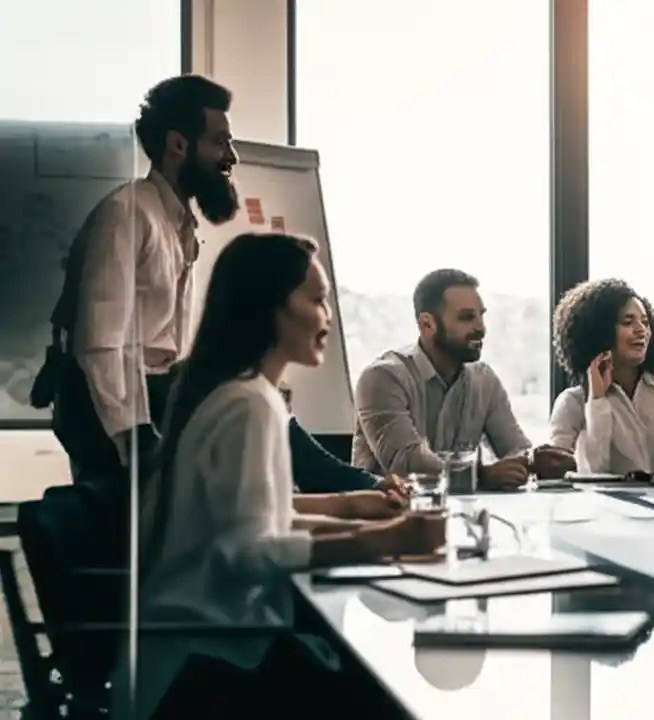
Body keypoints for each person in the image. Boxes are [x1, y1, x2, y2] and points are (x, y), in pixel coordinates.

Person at [135, 233, 444, 718]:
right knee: (386, 692)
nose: (328, 316)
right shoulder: (249, 404)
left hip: (194, 653)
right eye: (317, 300)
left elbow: (254, 522)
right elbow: (249, 551)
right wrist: (383, 539)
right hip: (204, 671)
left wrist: (359, 517)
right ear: (272, 307)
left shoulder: (236, 392)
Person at [43, 74, 239, 485]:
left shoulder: (178, 224)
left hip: (154, 395)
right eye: (220, 141)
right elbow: (101, 344)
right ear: (178, 145)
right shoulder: (127, 215)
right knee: (126, 539)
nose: (231, 157)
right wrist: (134, 436)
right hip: (110, 411)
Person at [352, 269, 575, 489]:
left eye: (481, 315)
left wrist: (534, 461)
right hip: (388, 518)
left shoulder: (484, 380)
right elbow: (406, 464)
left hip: (460, 516)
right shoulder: (383, 378)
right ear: (427, 325)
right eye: (466, 317)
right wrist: (480, 476)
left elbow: (514, 447)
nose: (481, 328)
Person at [549, 279, 654, 475]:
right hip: (601, 505)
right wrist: (597, 401)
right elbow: (587, 473)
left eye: (645, 322)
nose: (641, 330)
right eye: (627, 322)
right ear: (599, 332)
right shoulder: (573, 402)